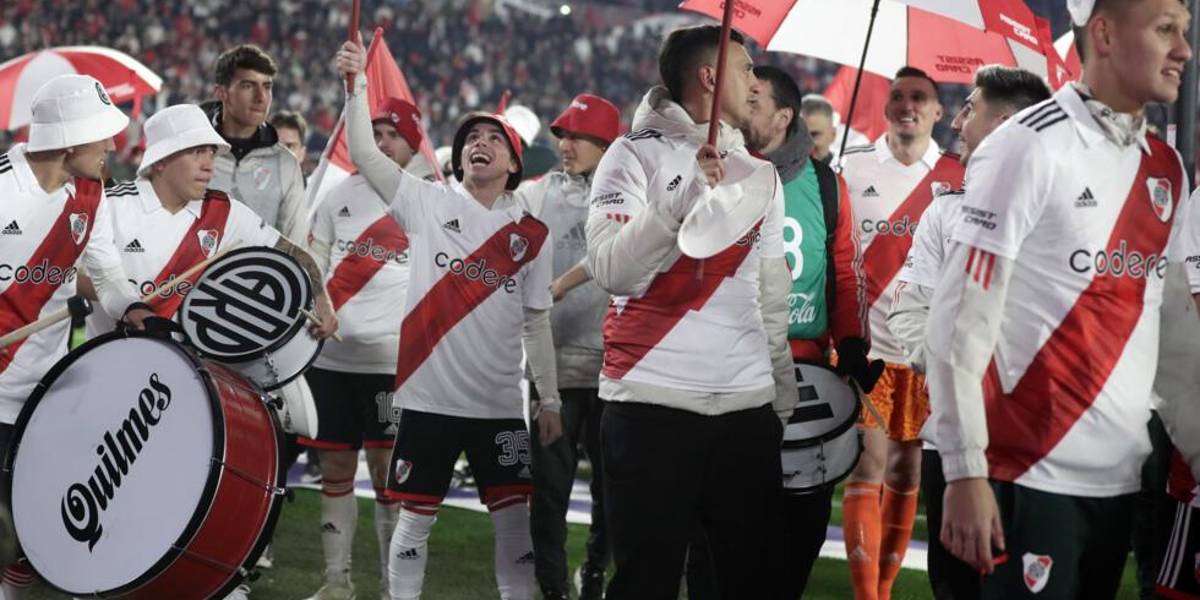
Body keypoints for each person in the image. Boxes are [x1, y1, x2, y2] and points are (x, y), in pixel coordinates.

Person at [926, 0, 1193, 597]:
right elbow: (959, 321)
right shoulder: (1026, 145)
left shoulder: (1167, 167)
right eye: (1165, 29)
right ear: (1104, 32)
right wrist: (964, 470)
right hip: (1026, 476)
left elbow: (1173, 337)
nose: (1184, 50)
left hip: (1118, 481)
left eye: (1185, 31)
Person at [337, 39, 564, 600]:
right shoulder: (426, 202)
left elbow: (536, 322)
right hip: (427, 400)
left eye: (494, 139)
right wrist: (356, 86)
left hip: (498, 404)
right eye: (471, 139)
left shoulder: (532, 235)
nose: (479, 144)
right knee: (415, 520)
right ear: (459, 158)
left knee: (513, 525)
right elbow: (365, 152)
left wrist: (551, 400)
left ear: (514, 164)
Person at [584, 25, 795, 599]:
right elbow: (611, 270)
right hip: (650, 404)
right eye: (746, 70)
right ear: (710, 75)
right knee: (645, 585)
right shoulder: (631, 154)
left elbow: (770, 295)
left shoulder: (761, 173)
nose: (757, 84)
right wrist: (678, 202)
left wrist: (777, 395)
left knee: (746, 586)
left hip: (745, 411)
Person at [886, 64, 1051, 600]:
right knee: (955, 587)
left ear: (1003, 126)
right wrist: (946, 364)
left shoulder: (1063, 215)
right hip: (950, 437)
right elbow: (908, 308)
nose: (956, 123)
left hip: (1038, 442)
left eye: (969, 110)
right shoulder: (945, 213)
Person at [0, 74, 154, 598]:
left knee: (30, 524)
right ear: (69, 141)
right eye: (101, 134)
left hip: (46, 394)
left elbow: (107, 275)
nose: (113, 144)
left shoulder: (92, 192)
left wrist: (134, 307)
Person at [839, 65, 965, 600]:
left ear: (938, 110)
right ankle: (870, 596)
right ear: (885, 106)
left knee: (907, 474)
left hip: (922, 350)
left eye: (919, 97)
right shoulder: (851, 167)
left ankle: (885, 587)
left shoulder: (958, 176)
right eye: (897, 96)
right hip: (867, 348)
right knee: (866, 466)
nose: (907, 105)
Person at [298, 96, 424, 600]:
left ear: (413, 146)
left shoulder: (425, 201)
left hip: (392, 366)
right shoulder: (335, 196)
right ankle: (337, 583)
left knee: (388, 476)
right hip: (331, 361)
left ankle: (393, 588)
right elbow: (313, 263)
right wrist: (318, 306)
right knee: (335, 472)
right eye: (376, 133)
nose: (383, 142)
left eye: (394, 135)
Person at [517, 93, 621, 600]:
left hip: (612, 369)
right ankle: (553, 586)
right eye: (563, 135)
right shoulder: (535, 195)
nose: (566, 145)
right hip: (550, 369)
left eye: (580, 137)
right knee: (548, 489)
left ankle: (595, 570)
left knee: (613, 490)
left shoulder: (628, 197)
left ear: (607, 146)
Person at [203, 44, 308, 242]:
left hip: (262, 263)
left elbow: (296, 245)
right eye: (248, 86)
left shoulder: (285, 163)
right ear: (221, 93)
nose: (261, 98)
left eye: (267, 87)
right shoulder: (193, 153)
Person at [800, 94, 837, 166]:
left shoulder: (843, 171)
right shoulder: (779, 167)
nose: (806, 142)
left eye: (814, 134)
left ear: (833, 135)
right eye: (800, 134)